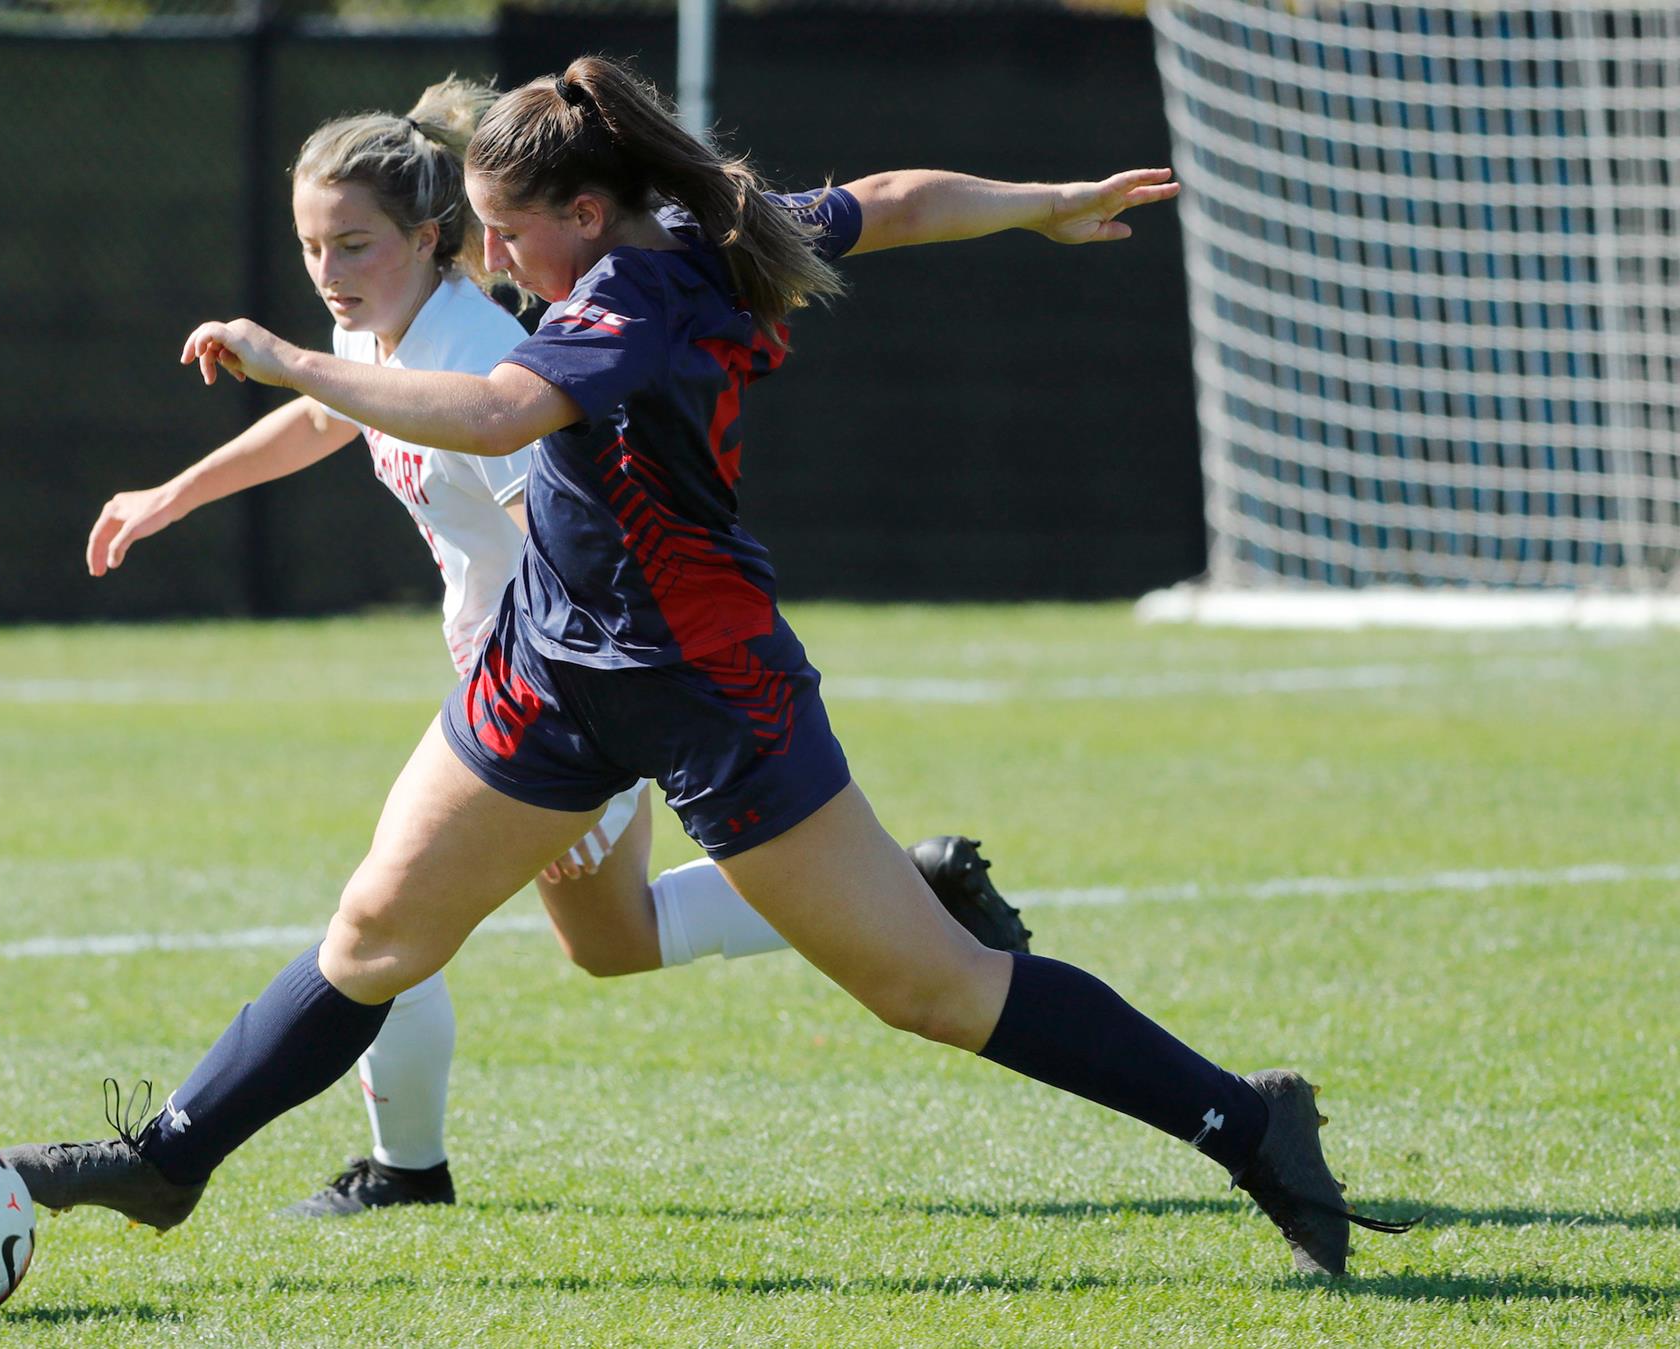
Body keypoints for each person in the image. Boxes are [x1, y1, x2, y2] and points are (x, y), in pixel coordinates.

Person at [10, 57, 1415, 1276]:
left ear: (582, 212)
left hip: (703, 680)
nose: (494, 265)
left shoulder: (641, 288)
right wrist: (1035, 204)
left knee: (929, 989)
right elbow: (897, 200)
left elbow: (500, 413)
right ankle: (168, 1159)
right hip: (552, 664)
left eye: (507, 237)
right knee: (376, 935)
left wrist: (293, 361)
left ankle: (1243, 1121)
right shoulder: (696, 228)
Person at [76, 78, 1033, 1221]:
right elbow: (335, 409)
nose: (328, 270)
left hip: (563, 678)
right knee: (610, 943)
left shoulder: (480, 349)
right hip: (524, 674)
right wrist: (176, 491)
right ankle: (912, 894)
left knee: (381, 930)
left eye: (352, 243)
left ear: (429, 237)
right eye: (310, 245)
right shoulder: (381, 323)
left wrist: (579, 736)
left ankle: (402, 1169)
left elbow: (578, 532)